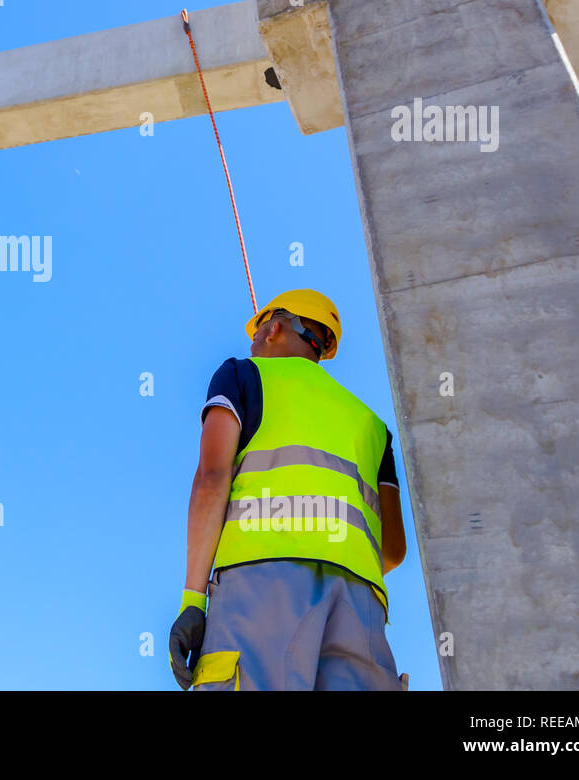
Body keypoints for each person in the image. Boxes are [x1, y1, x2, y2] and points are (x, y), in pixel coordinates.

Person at [169, 289, 408, 690]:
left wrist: (192, 601)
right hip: (360, 604)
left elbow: (212, 480)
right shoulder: (372, 425)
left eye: (257, 333)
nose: (253, 343)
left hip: (261, 590)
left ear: (274, 328)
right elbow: (393, 550)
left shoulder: (242, 375)